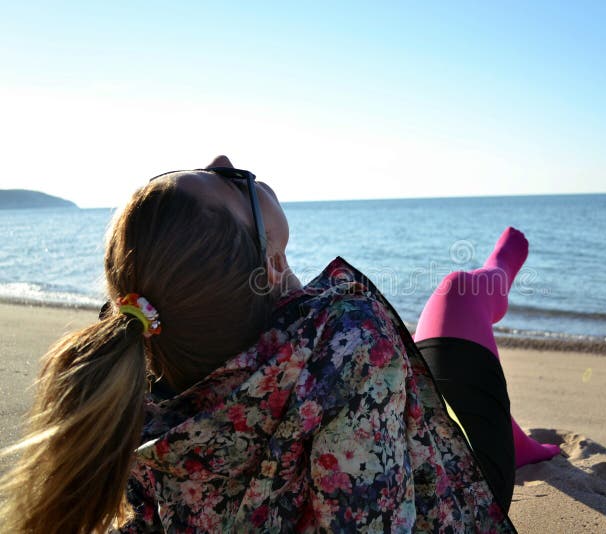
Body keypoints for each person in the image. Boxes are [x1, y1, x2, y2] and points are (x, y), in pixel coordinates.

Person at [0, 156, 558, 533]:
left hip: (404, 426)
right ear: (270, 266)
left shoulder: (131, 381)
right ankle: (501, 278)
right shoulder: (347, 350)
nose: (222, 159)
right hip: (463, 488)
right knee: (461, 294)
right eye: (228, 180)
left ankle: (517, 435)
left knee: (450, 368)